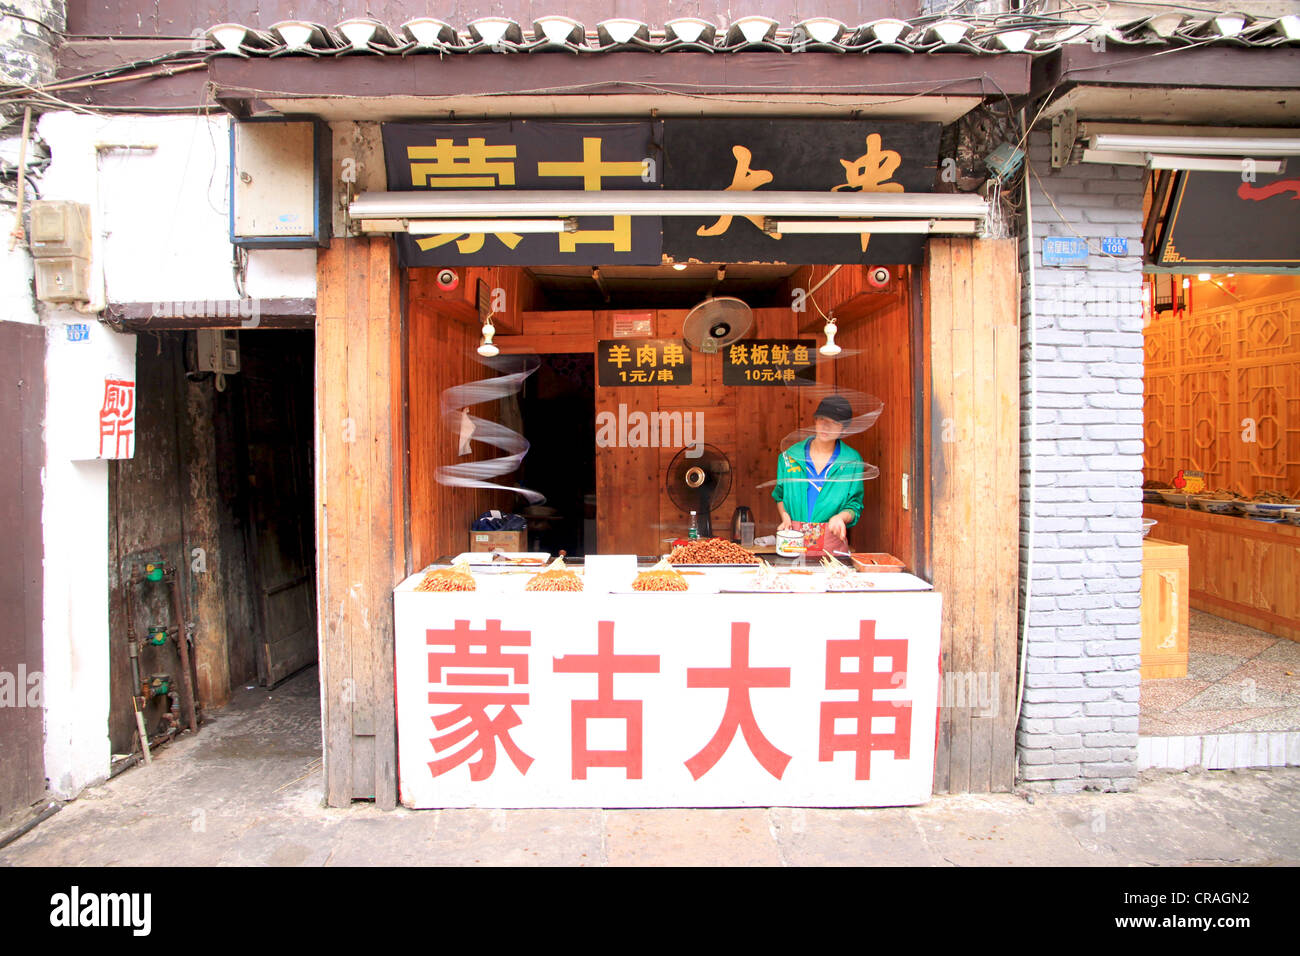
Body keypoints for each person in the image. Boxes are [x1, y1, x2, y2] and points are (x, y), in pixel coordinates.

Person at [772, 394, 865, 553]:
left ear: (845, 428)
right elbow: (779, 495)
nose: (826, 427)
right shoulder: (790, 457)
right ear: (815, 420)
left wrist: (840, 518)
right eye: (822, 419)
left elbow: (854, 505)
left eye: (834, 422)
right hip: (793, 541)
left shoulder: (852, 461)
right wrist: (785, 516)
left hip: (832, 545)